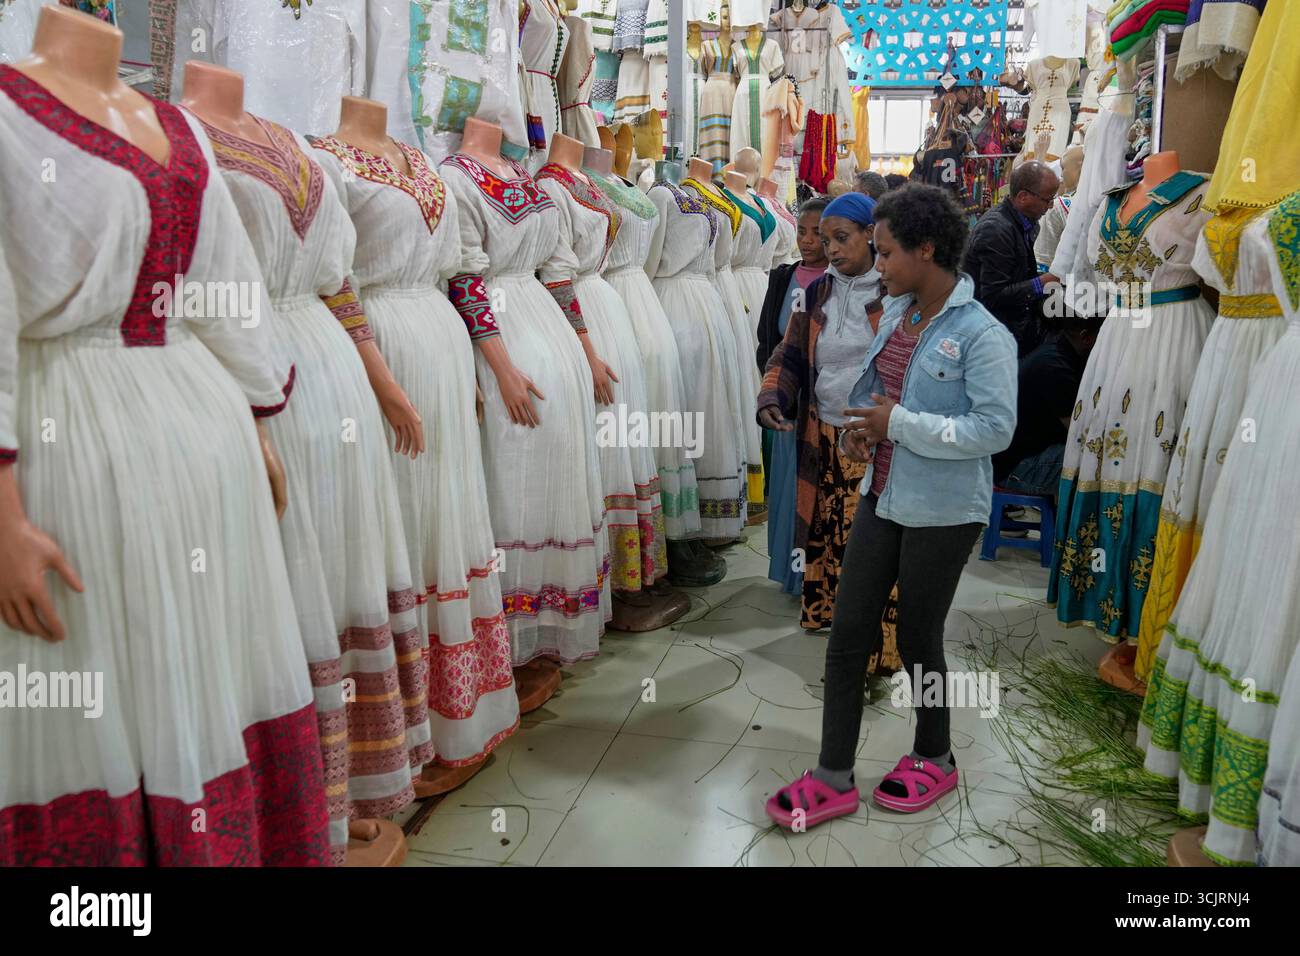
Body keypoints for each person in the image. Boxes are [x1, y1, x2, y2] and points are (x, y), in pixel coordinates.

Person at [765, 184, 1017, 827]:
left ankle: (935, 754)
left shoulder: (982, 334)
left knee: (917, 639)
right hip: (883, 494)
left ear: (926, 250)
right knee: (848, 635)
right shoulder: (900, 316)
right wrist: (864, 428)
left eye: (887, 254)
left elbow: (994, 430)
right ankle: (832, 774)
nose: (878, 267)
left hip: (945, 510)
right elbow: (879, 397)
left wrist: (897, 424)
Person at [755, 194, 899, 672]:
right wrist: (772, 396)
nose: (829, 248)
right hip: (823, 435)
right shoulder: (818, 294)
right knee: (828, 533)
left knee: (868, 546)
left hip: (874, 441)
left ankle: (874, 648)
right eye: (823, 238)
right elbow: (790, 353)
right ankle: (837, 625)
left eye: (842, 238)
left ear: (870, 236)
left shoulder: (893, 296)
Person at [992, 313, 1102, 499]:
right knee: (1103, 464)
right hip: (1018, 466)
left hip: (1021, 455)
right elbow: (1081, 433)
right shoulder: (1055, 367)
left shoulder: (1061, 350)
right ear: (1086, 337)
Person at [962, 159, 1061, 357]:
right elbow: (993, 296)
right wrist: (1041, 282)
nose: (1050, 206)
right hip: (992, 336)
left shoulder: (1026, 223)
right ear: (1023, 197)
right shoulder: (996, 230)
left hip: (1012, 327)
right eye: (1047, 200)